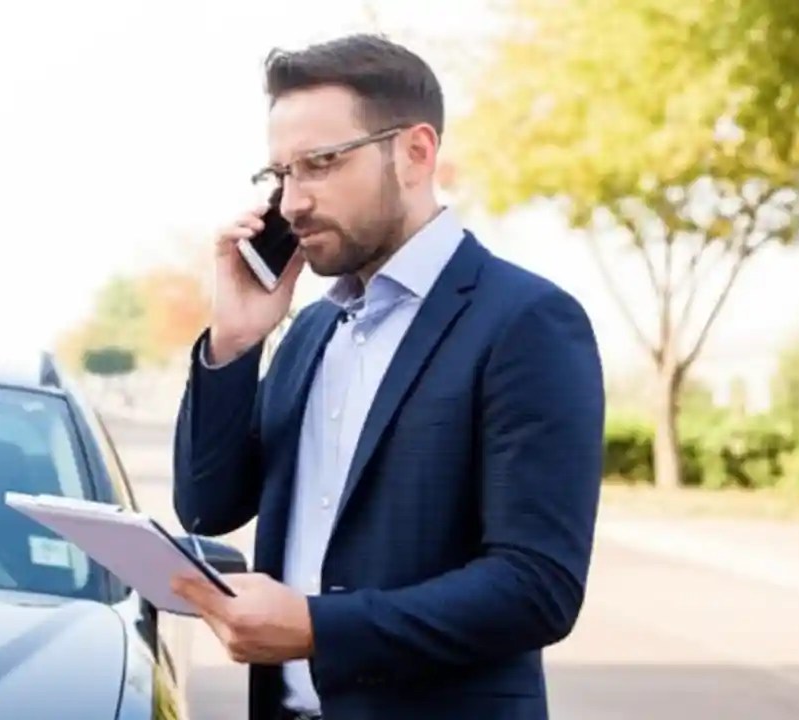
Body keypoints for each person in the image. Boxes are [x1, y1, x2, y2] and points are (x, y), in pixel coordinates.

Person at [168, 33, 605, 720]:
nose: (291, 204)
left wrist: (318, 628)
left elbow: (537, 586)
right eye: (280, 174)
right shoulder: (309, 331)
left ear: (415, 153)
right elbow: (207, 508)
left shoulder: (526, 322)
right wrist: (235, 340)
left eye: (320, 164)